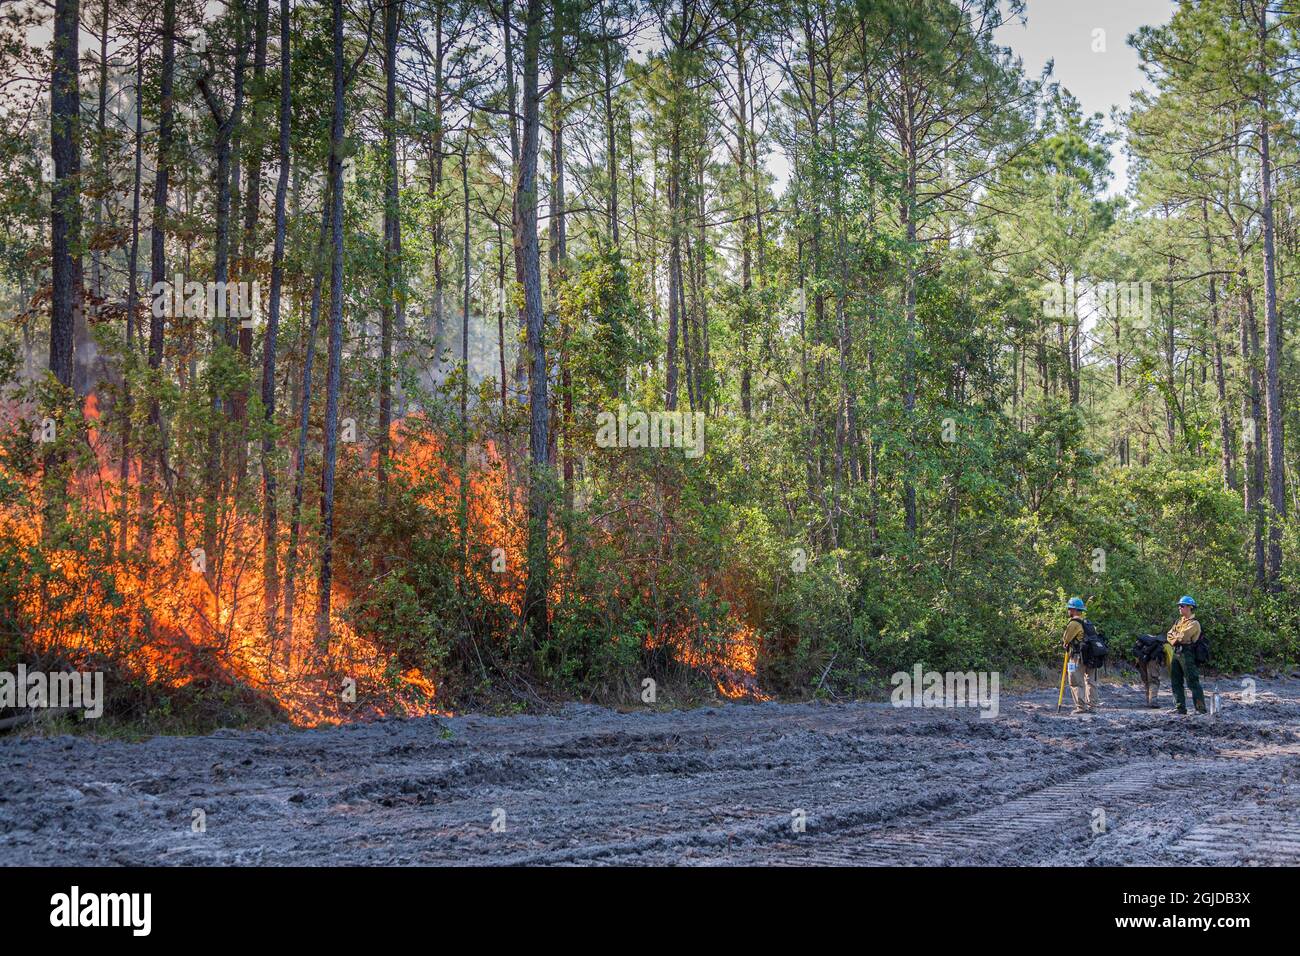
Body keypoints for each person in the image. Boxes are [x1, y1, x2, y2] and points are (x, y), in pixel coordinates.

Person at [1166, 595, 1206, 715]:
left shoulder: (1194, 624)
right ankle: (1180, 708)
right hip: (1177, 652)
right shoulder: (1179, 622)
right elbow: (1169, 635)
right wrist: (1175, 638)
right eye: (1179, 606)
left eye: (1182, 606)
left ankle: (1200, 709)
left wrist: (1175, 636)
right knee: (1175, 680)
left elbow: (1183, 637)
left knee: (1192, 681)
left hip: (1188, 653)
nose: (1179, 608)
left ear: (1190, 607)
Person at [1062, 597, 1099, 714]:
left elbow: (1066, 639)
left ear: (1073, 610)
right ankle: (1092, 706)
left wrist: (1065, 644)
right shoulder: (1088, 623)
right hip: (1092, 657)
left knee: (1075, 681)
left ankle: (1081, 707)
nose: (1068, 611)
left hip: (1077, 657)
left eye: (1069, 608)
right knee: (1091, 681)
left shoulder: (1074, 623)